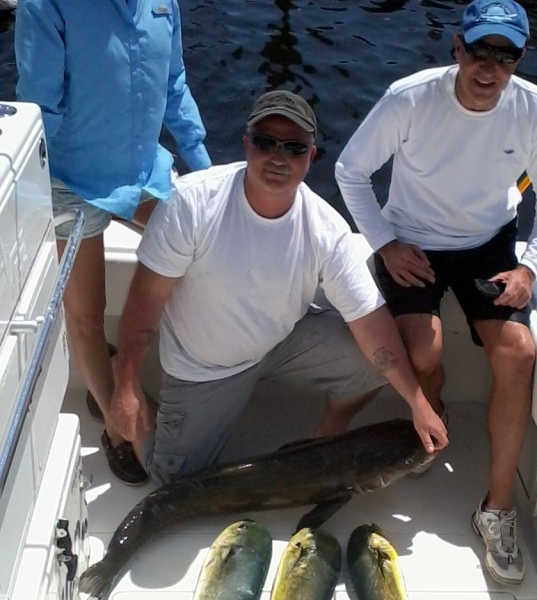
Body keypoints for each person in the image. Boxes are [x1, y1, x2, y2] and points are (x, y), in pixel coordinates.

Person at [335, 0, 537, 585]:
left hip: (491, 246)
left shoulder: (535, 111)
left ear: (519, 58)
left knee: (517, 356)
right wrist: (386, 242)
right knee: (423, 349)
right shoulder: (409, 98)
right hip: (412, 242)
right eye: (480, 50)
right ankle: (431, 412)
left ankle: (496, 509)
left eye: (506, 54)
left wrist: (529, 269)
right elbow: (350, 170)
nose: (490, 67)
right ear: (457, 47)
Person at [108, 89, 448, 483]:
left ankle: (326, 438)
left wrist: (418, 402)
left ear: (311, 157)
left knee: (375, 361)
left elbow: (372, 324)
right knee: (172, 478)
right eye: (265, 142)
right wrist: (127, 384)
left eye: (293, 147)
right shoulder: (191, 203)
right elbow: (143, 304)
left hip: (281, 342)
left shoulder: (325, 228)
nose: (278, 157)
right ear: (246, 145)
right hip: (205, 367)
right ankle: (113, 368)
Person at [14, 0, 211, 486]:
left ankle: (141, 373)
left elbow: (175, 84)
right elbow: (38, 101)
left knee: (204, 266)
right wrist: (44, 194)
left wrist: (206, 174)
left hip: (147, 174)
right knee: (82, 311)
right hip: (73, 180)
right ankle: (115, 414)